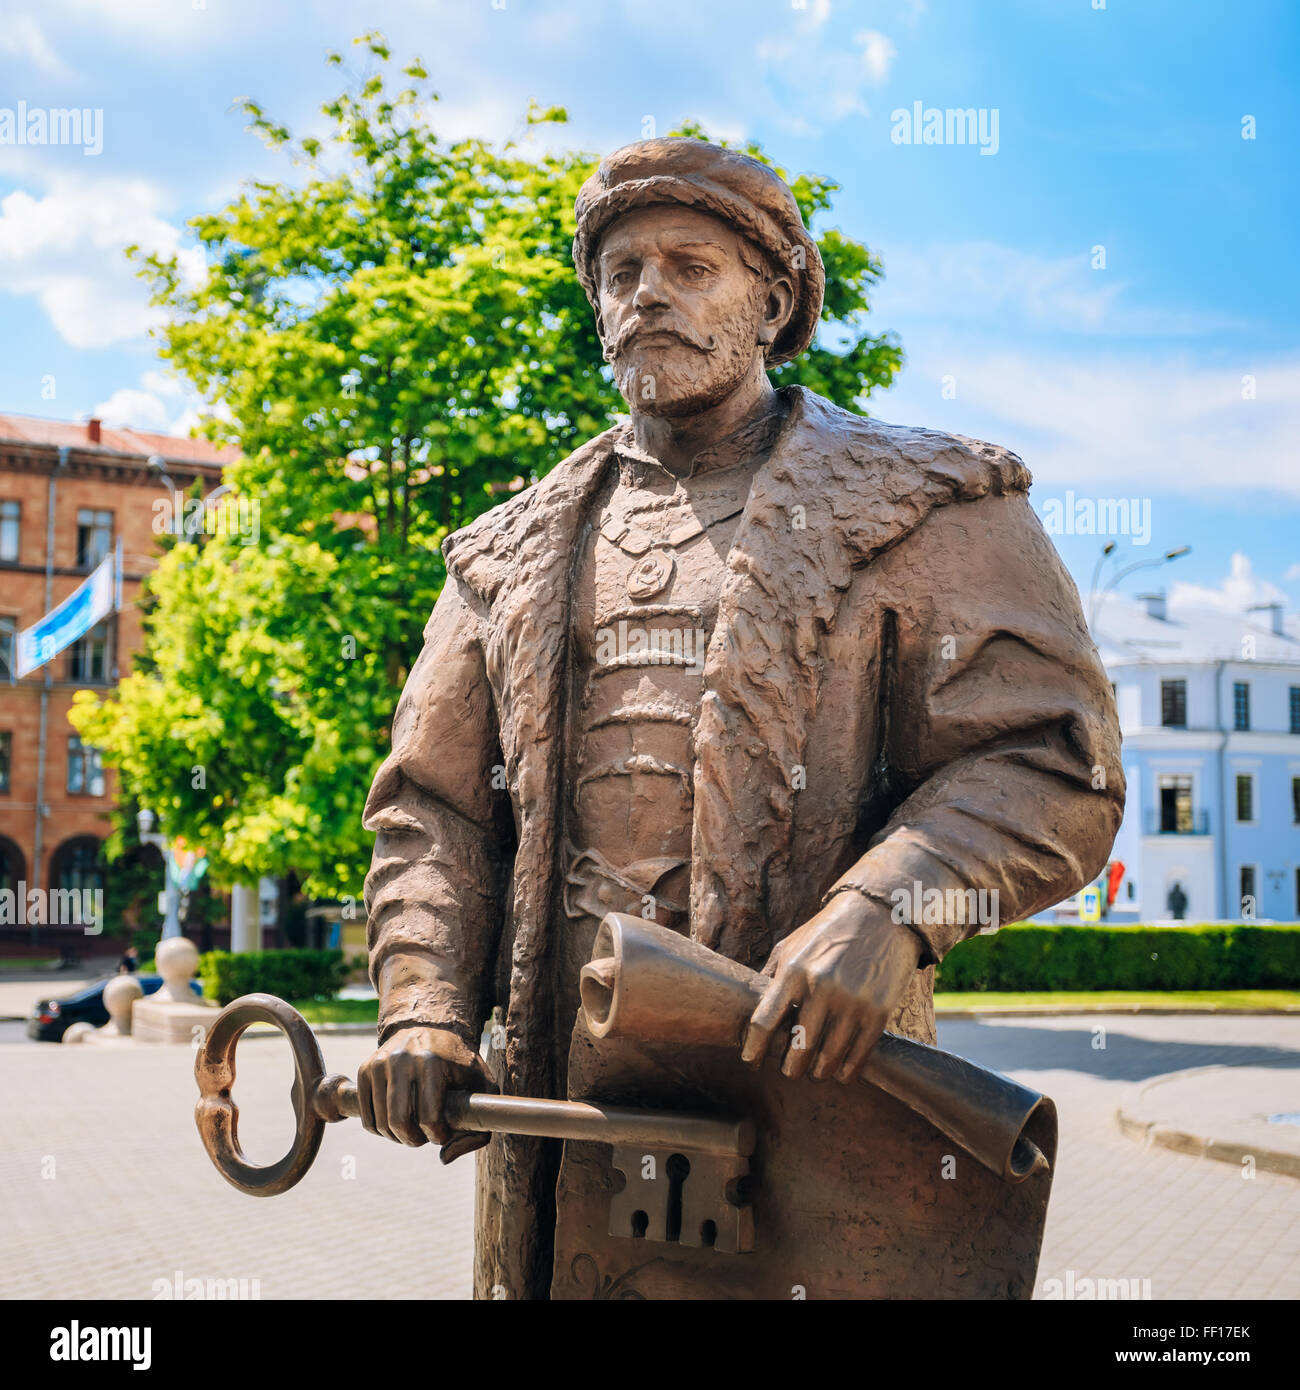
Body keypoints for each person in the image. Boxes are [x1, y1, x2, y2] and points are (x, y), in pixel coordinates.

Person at [358, 138, 1124, 1299]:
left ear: (771, 303)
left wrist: (891, 906)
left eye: (688, 265)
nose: (647, 292)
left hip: (807, 1100)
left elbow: (1054, 759)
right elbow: (432, 807)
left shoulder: (927, 507)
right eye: (620, 274)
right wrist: (421, 1005)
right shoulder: (506, 552)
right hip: (563, 1111)